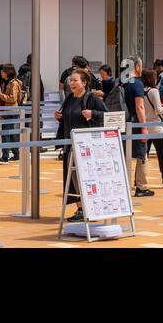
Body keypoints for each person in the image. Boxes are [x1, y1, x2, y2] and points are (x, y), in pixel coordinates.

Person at [54, 68, 106, 223]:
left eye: (75, 80)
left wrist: (93, 114)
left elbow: (108, 115)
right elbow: (68, 117)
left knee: (87, 178)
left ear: (84, 83)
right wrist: (59, 117)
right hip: (70, 146)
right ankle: (81, 209)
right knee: (72, 180)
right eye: (71, 80)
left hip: (87, 148)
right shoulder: (69, 98)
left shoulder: (91, 98)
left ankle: (91, 208)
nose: (72, 83)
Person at [135, 69, 163, 195]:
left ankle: (137, 181)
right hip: (156, 127)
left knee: (143, 156)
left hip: (144, 126)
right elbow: (159, 110)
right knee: (161, 155)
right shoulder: (153, 91)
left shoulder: (140, 91)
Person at [0, 63, 23, 162]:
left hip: (11, 111)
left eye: (3, 71)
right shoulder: (6, 82)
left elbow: (13, 99)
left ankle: (5, 157)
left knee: (5, 133)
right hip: (7, 111)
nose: (1, 73)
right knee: (10, 133)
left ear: (8, 72)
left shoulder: (14, 83)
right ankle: (16, 154)